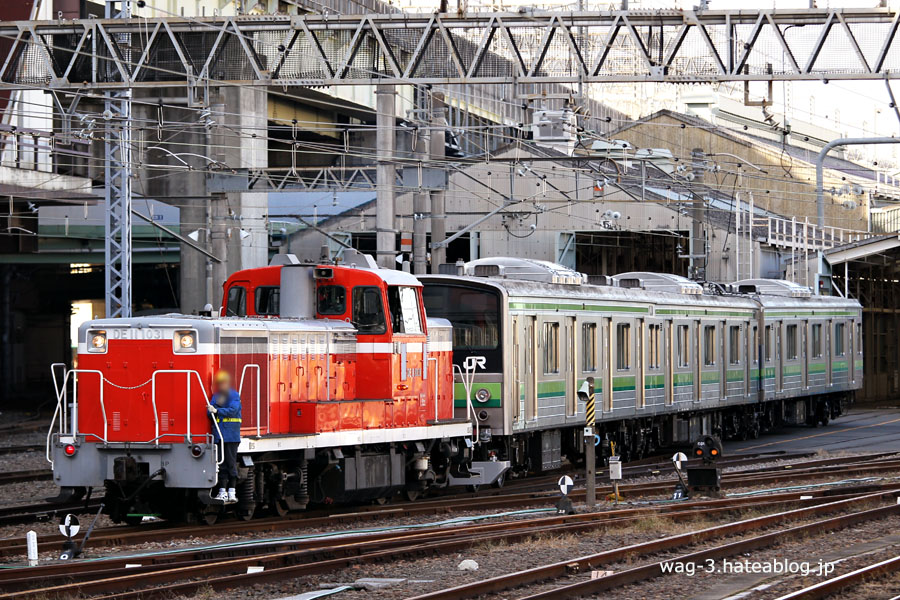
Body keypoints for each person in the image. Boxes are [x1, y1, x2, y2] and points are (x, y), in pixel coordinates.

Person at [207, 370, 242, 502]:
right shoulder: (218, 397)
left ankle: (232, 492)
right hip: (220, 435)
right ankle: (222, 491)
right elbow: (209, 412)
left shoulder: (234, 395)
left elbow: (233, 410)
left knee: (231, 463)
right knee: (221, 465)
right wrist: (211, 410)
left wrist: (217, 411)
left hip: (231, 436)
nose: (221, 385)